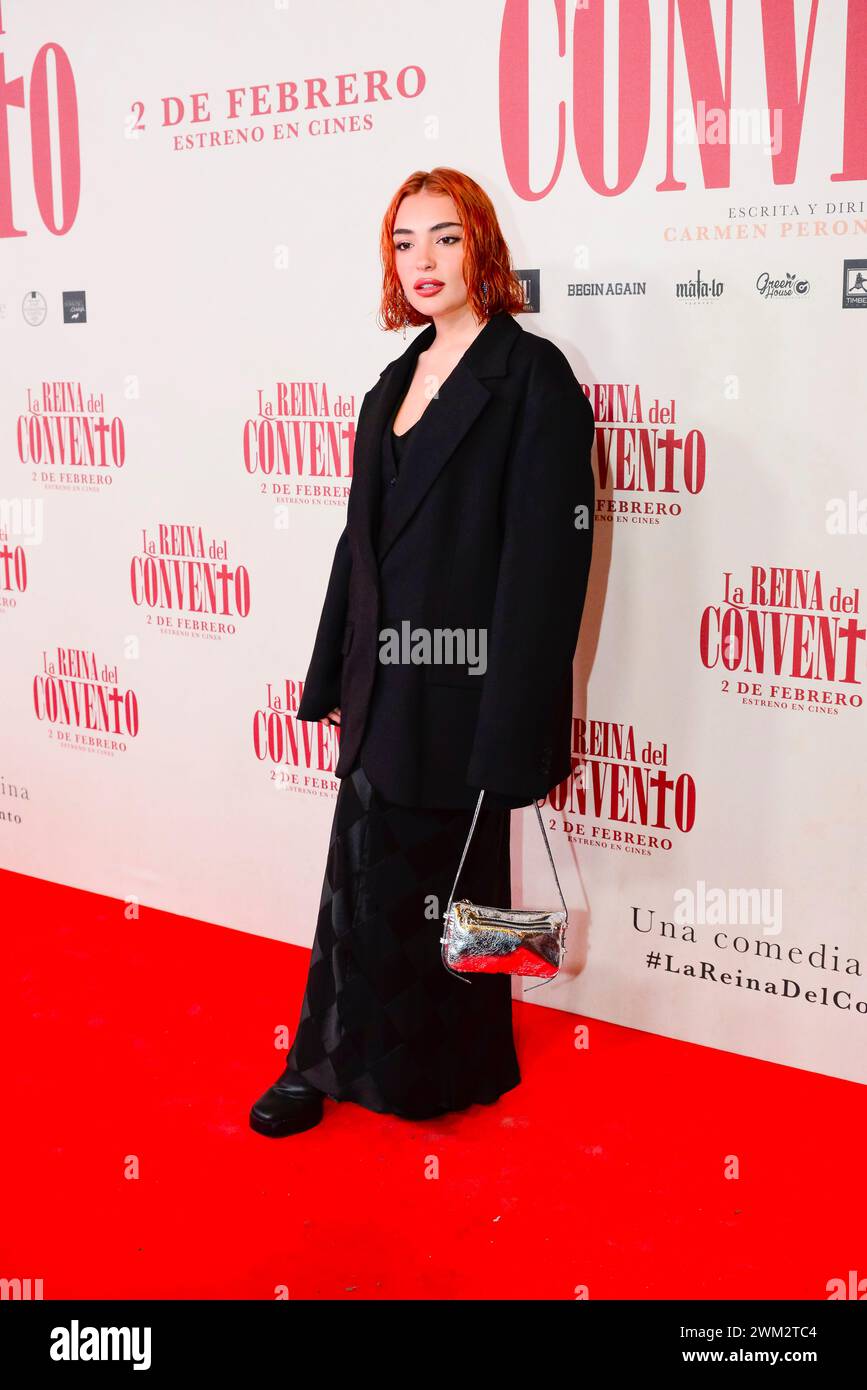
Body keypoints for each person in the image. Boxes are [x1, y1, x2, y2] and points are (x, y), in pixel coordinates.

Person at [249, 167, 595, 1137]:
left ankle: (438, 1069)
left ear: (483, 245)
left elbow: (545, 566)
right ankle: (321, 1059)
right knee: (356, 875)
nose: (423, 262)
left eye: (443, 238)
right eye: (404, 244)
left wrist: (514, 723)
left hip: (469, 692)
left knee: (447, 894)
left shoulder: (532, 378)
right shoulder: (388, 384)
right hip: (380, 682)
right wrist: (329, 671)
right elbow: (355, 545)